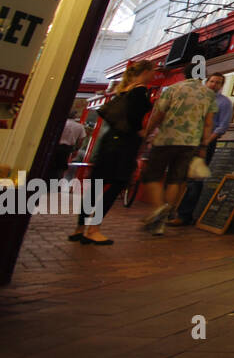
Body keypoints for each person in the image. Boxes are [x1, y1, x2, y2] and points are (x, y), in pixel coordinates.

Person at [69, 61, 156, 246]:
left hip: (109, 140)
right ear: (147, 72)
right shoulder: (140, 92)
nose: (153, 75)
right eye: (152, 72)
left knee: (96, 186)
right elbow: (134, 119)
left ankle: (79, 228)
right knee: (115, 185)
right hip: (123, 145)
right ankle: (94, 229)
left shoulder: (123, 90)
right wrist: (142, 132)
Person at [138, 64, 217, 236]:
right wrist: (203, 145)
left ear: (184, 73)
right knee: (176, 179)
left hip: (167, 139)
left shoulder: (173, 89)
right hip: (190, 143)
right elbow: (208, 123)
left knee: (152, 176)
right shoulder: (209, 95)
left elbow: (158, 115)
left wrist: (147, 134)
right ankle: (164, 217)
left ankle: (159, 208)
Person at [169, 72, 233, 226]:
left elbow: (222, 126)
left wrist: (205, 142)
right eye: (212, 81)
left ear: (221, 85)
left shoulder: (224, 103)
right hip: (185, 142)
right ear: (206, 82)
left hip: (204, 145)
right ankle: (169, 211)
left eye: (218, 82)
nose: (214, 84)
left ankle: (184, 215)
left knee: (195, 180)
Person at [53, 108, 86, 180]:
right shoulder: (80, 126)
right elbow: (81, 139)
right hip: (67, 149)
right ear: (75, 116)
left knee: (52, 165)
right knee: (61, 167)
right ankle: (56, 184)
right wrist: (76, 150)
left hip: (55, 147)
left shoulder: (61, 123)